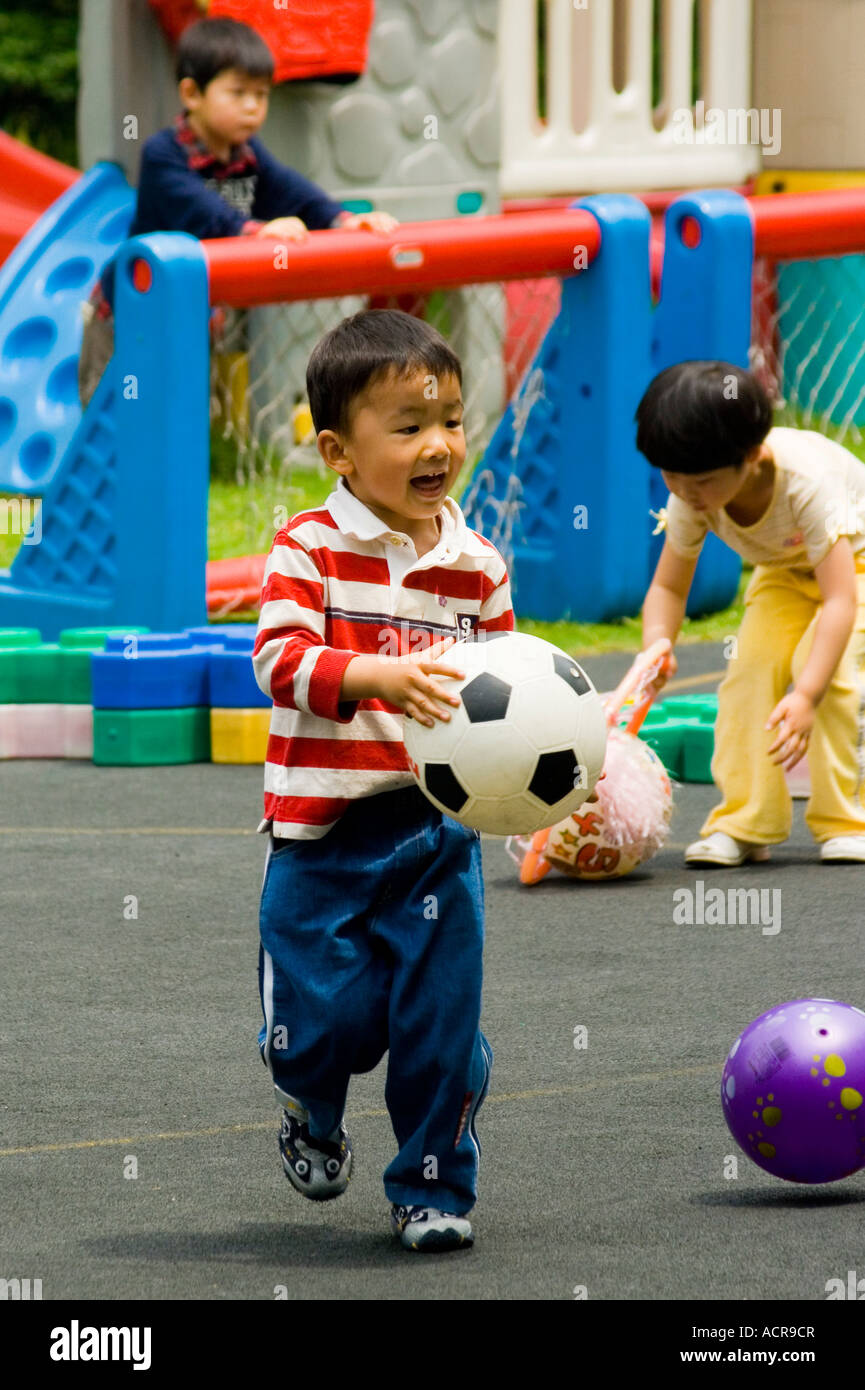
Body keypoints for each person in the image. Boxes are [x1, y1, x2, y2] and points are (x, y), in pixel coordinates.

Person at [251, 308, 514, 1251]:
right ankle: (311, 1105)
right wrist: (373, 674)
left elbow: (508, 703)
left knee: (442, 1026)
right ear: (339, 451)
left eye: (449, 418)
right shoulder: (308, 548)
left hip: (437, 835)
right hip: (322, 836)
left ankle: (432, 1188)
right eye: (406, 427)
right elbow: (277, 661)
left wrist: (547, 785)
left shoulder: (475, 566)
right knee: (327, 1024)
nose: (437, 443)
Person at [78, 16, 396, 406]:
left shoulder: (248, 156)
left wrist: (343, 219)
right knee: (111, 404)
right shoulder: (164, 155)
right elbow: (201, 211)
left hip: (188, 309)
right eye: (238, 93)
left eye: (261, 95)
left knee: (180, 403)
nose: (252, 107)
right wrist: (254, 231)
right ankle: (105, 463)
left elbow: (292, 191)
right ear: (192, 94)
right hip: (127, 311)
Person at [637, 359, 865, 866]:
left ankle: (846, 819)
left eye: (702, 481)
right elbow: (670, 588)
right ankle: (745, 821)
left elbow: (840, 600)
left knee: (829, 673)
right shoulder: (691, 496)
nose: (685, 492)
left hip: (855, 571)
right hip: (785, 574)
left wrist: (805, 694)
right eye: (670, 476)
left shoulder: (807, 484)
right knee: (747, 676)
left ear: (753, 455)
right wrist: (657, 644)